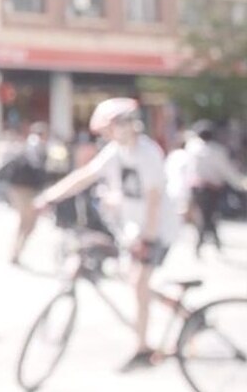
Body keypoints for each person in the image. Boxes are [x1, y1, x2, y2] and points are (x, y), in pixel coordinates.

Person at [34, 98, 181, 373]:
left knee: (138, 282)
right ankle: (182, 312)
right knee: (133, 280)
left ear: (124, 125)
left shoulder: (147, 153)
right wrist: (50, 197)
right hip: (136, 230)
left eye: (107, 129)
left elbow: (154, 199)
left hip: (157, 229)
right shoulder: (116, 152)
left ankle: (142, 348)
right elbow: (85, 176)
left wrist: (148, 239)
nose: (105, 135)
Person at [184, 120, 247, 257]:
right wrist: (240, 183)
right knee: (207, 216)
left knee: (206, 216)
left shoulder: (192, 148)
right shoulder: (216, 151)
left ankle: (209, 243)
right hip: (209, 189)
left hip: (197, 189)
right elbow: (226, 170)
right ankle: (204, 244)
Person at [0, 123, 49, 266]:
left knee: (26, 222)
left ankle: (16, 252)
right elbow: (37, 167)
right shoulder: (35, 146)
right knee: (27, 222)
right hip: (26, 188)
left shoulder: (26, 145)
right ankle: (15, 253)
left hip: (21, 188)